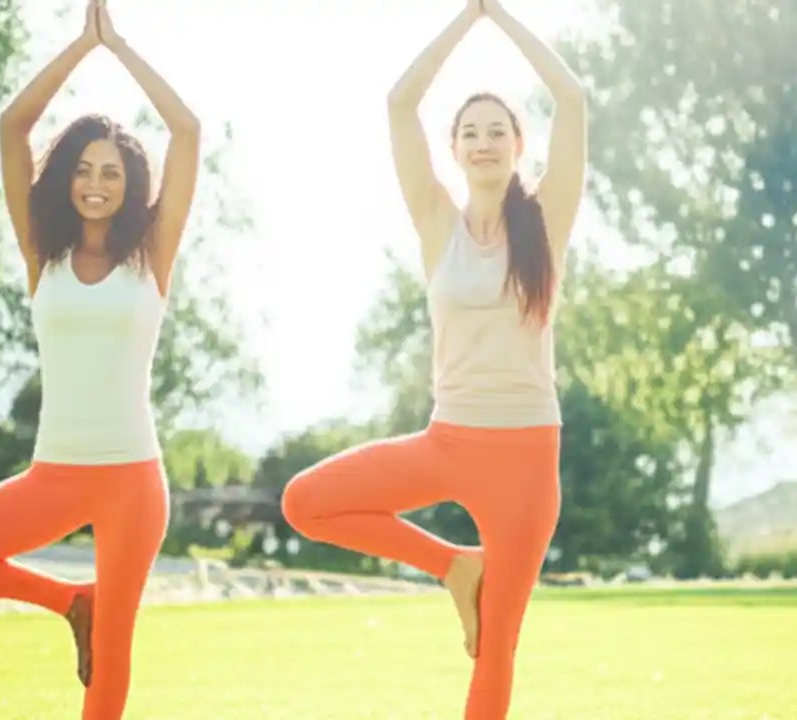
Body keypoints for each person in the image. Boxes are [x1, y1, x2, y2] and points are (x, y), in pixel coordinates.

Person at [280, 0, 586, 717]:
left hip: (527, 457)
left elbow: (571, 99)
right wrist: (464, 18)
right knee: (307, 501)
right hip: (448, 440)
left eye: (497, 131)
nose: (483, 143)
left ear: (518, 144)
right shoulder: (436, 222)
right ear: (455, 150)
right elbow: (399, 102)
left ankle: (466, 576)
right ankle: (453, 566)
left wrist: (501, 17)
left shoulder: (546, 222)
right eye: (469, 133)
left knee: (496, 652)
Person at [0, 1, 200, 717]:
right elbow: (12, 127)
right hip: (55, 472)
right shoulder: (45, 253)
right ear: (66, 177)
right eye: (83, 169)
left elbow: (187, 130)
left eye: (113, 172)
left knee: (111, 671)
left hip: (133, 478)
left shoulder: (150, 257)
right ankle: (72, 600)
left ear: (131, 185)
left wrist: (120, 46)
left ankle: (95, 613)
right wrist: (78, 46)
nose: (96, 182)